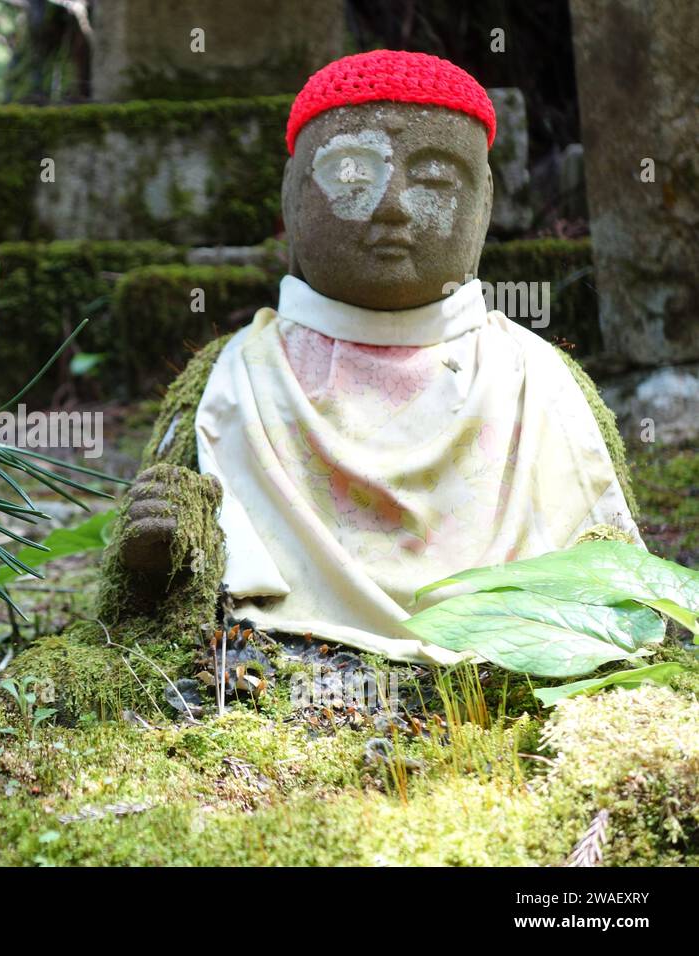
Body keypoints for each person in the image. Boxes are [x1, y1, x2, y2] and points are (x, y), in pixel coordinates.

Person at [118, 50, 640, 665]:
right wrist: (162, 553)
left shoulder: (537, 376)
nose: (393, 207)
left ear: (486, 201)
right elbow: (151, 591)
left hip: (514, 654)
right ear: (293, 196)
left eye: (436, 178)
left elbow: (610, 558)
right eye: (352, 176)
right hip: (269, 662)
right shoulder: (234, 374)